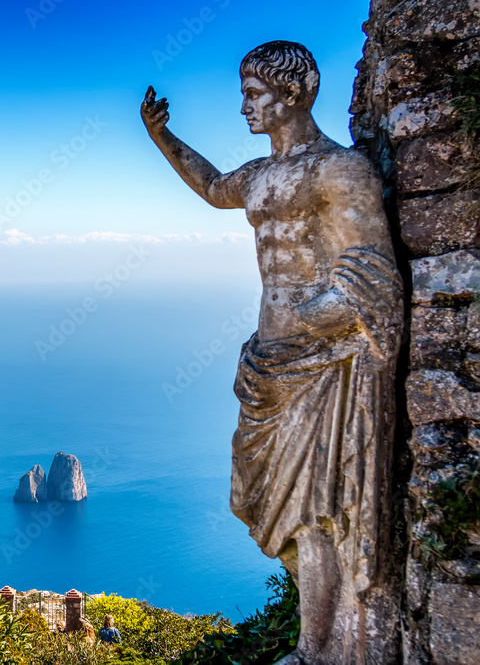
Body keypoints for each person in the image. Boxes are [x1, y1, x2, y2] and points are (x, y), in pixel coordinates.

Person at [141, 40, 402, 665]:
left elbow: (372, 267)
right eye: (244, 94)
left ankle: (325, 647)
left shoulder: (339, 170)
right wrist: (162, 137)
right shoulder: (260, 176)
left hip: (324, 362)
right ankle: (320, 637)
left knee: (316, 510)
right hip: (269, 363)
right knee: (264, 502)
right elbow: (212, 187)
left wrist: (320, 314)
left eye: (254, 94)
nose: (244, 107)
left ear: (296, 91)